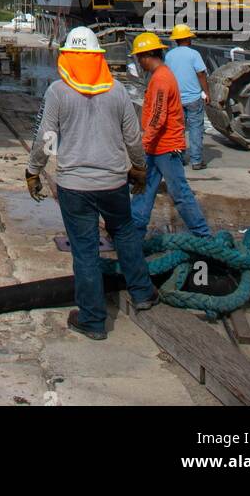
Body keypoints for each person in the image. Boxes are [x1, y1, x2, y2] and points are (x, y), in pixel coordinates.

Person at [25, 26, 158, 341]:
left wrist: (33, 170)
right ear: (98, 58)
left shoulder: (58, 92)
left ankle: (93, 320)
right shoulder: (117, 91)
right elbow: (133, 137)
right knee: (124, 234)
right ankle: (142, 293)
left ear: (67, 57)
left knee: (85, 251)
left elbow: (46, 137)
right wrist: (139, 167)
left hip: (74, 187)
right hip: (113, 183)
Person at [130, 33, 211, 238]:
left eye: (139, 57)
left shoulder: (161, 79)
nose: (138, 62)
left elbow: (158, 117)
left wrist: (143, 143)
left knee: (179, 193)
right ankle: (133, 233)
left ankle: (203, 236)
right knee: (144, 188)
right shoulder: (160, 76)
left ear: (147, 56)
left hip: (166, 148)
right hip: (156, 147)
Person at [165, 24, 211, 170]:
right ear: (187, 39)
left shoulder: (169, 55)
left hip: (175, 99)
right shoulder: (194, 54)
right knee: (196, 129)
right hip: (194, 99)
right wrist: (207, 92)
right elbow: (201, 74)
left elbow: (166, 76)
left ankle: (179, 159)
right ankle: (196, 161)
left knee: (178, 130)